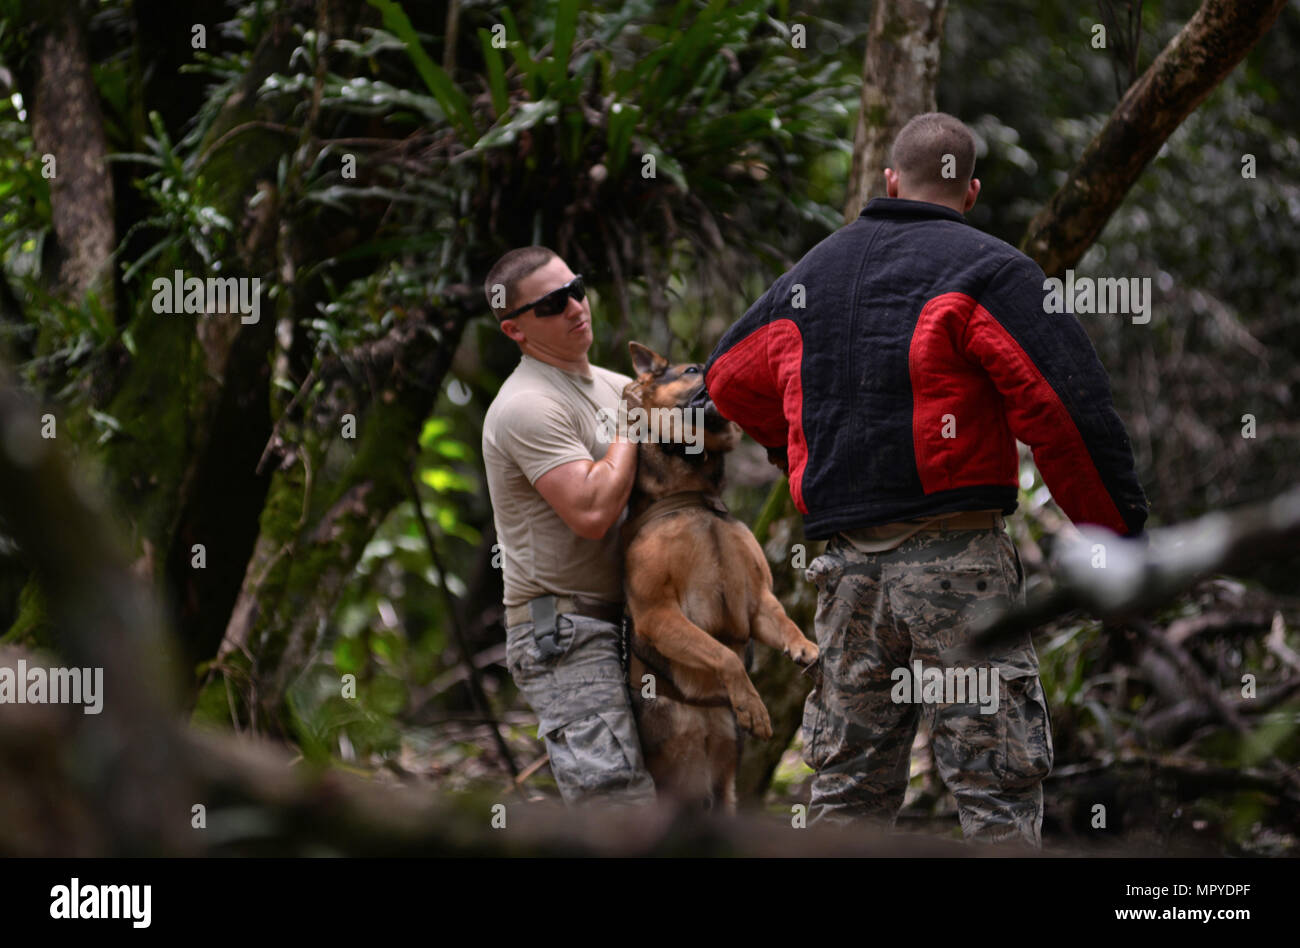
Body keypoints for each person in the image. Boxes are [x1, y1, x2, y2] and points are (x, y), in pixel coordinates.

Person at [698, 113, 1148, 845]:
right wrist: (1119, 535)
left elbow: (727, 376)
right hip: (959, 564)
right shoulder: (992, 270)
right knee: (995, 789)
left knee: (846, 791)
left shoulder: (812, 277)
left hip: (845, 570)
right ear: (969, 192)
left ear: (887, 180)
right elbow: (1067, 413)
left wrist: (802, 454)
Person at [481, 246, 656, 806]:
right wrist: (635, 418)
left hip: (636, 621)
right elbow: (591, 511)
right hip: (565, 631)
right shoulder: (526, 405)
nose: (576, 306)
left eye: (577, 288)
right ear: (515, 329)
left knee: (676, 803)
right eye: (554, 303)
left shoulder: (611, 384)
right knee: (616, 809)